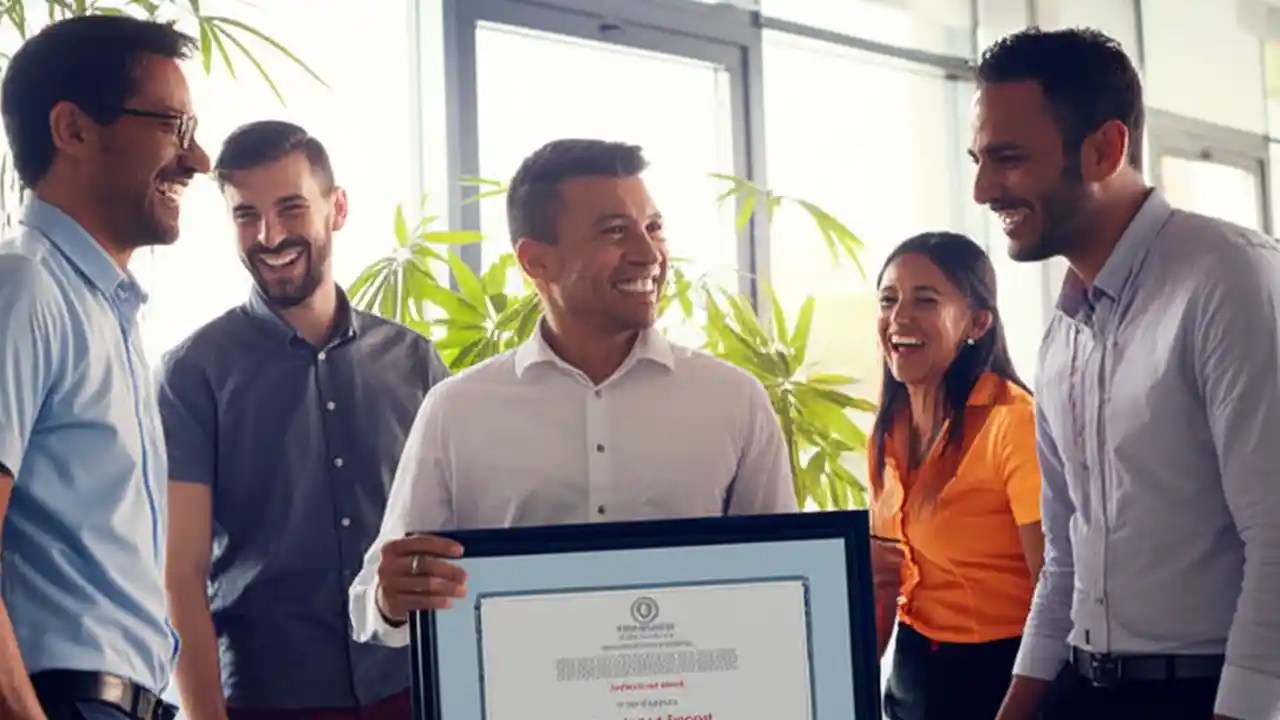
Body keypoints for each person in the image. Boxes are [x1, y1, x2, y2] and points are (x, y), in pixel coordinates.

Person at [346, 138, 796, 642]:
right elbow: (375, 603)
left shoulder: (734, 400)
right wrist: (392, 600)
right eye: (615, 232)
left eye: (654, 228)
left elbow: (786, 588)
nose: (649, 254)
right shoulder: (457, 409)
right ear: (537, 261)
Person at [969, 28, 1280, 720]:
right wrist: (1020, 702)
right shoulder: (1062, 332)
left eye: (1008, 159)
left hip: (1203, 693)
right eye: (979, 160)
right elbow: (1064, 557)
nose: (984, 188)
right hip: (1082, 689)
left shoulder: (1228, 277)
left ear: (1105, 149)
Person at [157, 121, 449, 720]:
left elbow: (456, 534)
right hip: (267, 699)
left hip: (413, 687)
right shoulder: (194, 374)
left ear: (336, 208)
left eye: (291, 208)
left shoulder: (416, 363)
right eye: (246, 215)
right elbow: (180, 575)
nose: (270, 235)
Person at [0, 15, 210, 720]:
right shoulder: (25, 289)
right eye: (172, 126)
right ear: (73, 129)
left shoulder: (108, 313)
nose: (198, 158)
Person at [867, 231, 1043, 720]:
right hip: (914, 675)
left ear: (977, 322)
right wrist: (848, 685)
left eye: (926, 300)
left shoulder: (1015, 422)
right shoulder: (888, 429)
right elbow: (885, 580)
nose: (899, 318)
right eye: (888, 299)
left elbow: (1057, 589)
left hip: (1003, 679)